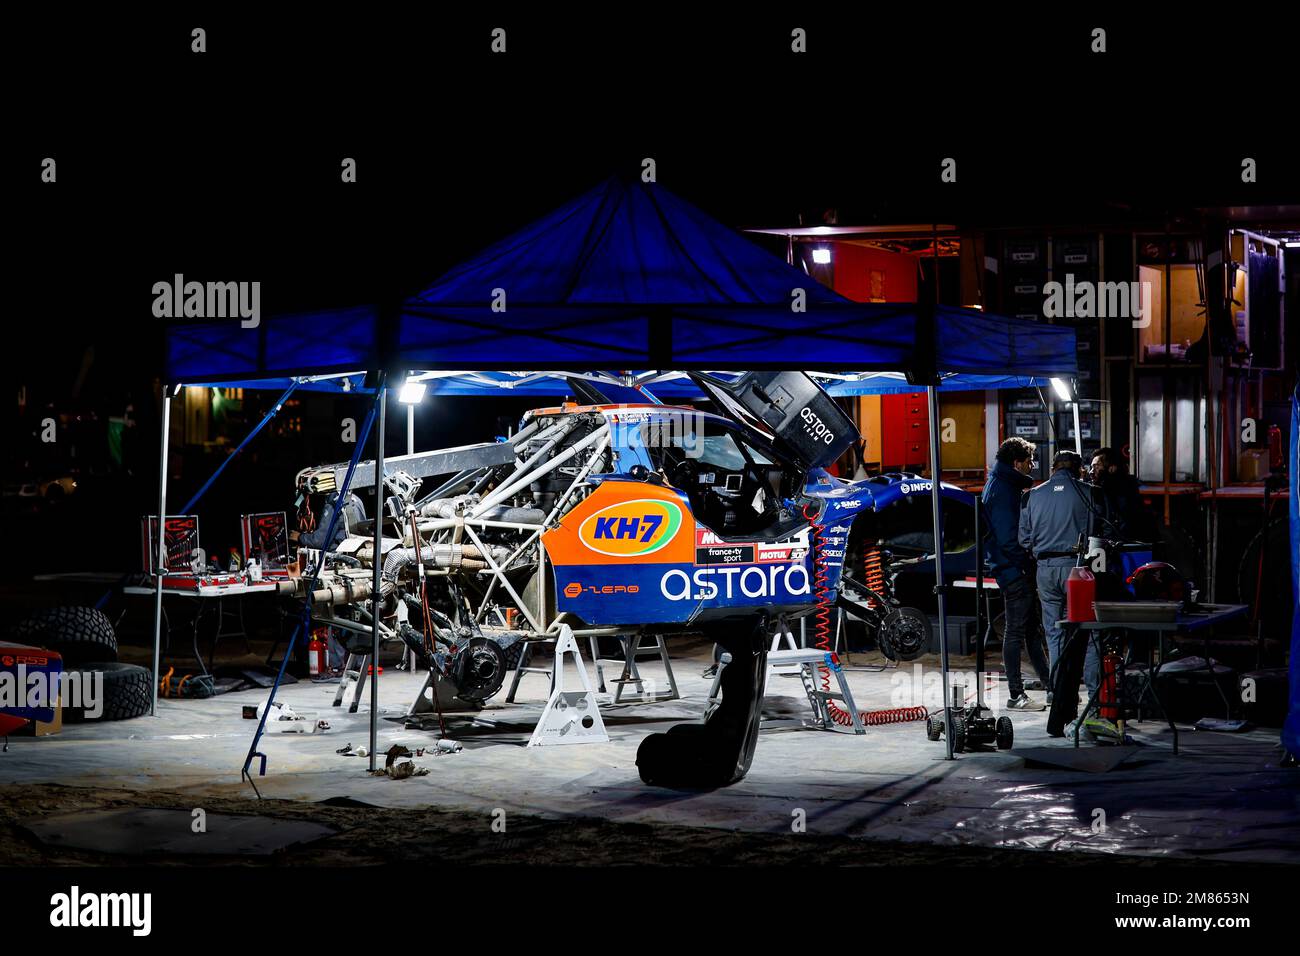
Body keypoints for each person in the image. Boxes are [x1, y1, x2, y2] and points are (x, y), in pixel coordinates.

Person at [1018, 450, 1110, 716]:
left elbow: (1024, 539)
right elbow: (1100, 531)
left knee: (1054, 632)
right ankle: (1094, 697)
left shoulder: (1031, 496)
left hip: (1045, 570)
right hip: (1079, 570)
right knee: (1090, 633)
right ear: (1079, 469)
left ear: (1053, 469)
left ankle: (1058, 694)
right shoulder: (1090, 493)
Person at [982, 437, 1050, 711]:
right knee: (1015, 632)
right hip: (1012, 570)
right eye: (1029, 462)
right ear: (1016, 463)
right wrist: (1024, 563)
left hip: (1012, 567)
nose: (1032, 467)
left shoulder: (1003, 485)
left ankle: (1050, 685)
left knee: (1031, 631)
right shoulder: (1002, 491)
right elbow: (1008, 538)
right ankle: (1016, 695)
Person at [1089, 447, 1150, 541]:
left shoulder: (1118, 490)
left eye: (1097, 466)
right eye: (1092, 467)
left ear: (1112, 468)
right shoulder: (1130, 485)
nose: (1091, 472)